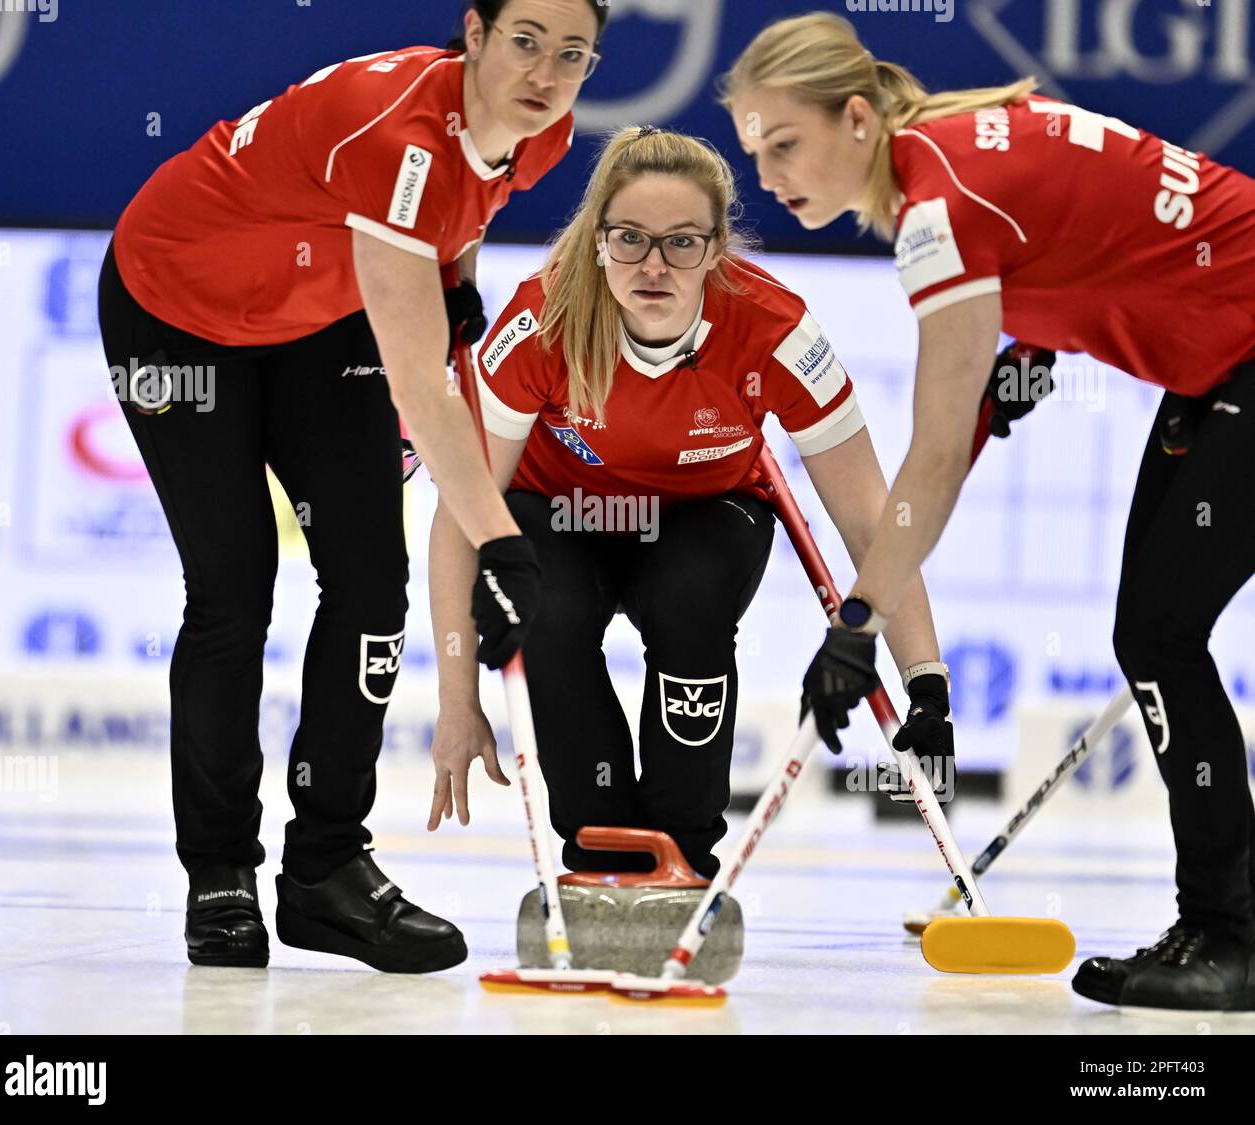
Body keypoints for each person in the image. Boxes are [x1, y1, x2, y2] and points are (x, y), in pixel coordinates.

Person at [723, 11, 1255, 1010]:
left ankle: (1231, 935)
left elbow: (933, 455)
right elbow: (1096, 217)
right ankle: (1219, 923)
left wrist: (857, 623)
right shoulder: (955, 151)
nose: (769, 176)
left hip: (1239, 353)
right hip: (1218, 360)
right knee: (1155, 639)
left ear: (854, 120)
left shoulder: (937, 210)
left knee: (1159, 637)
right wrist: (1033, 354)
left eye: (785, 144)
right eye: (755, 152)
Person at [96, 0, 610, 973]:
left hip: (323, 313)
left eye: (572, 53)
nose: (545, 72)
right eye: (526, 41)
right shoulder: (399, 136)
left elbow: (456, 230)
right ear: (474, 34)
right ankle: (219, 877)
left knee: (373, 586)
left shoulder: (542, 135)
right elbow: (420, 383)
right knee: (232, 592)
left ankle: (326, 869)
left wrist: (458, 287)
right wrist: (501, 544)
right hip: (175, 307)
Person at [426, 126, 952, 879]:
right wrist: (456, 700)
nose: (653, 265)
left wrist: (926, 681)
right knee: (550, 607)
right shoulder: (540, 321)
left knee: (691, 598)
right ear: (600, 239)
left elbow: (872, 517)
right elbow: (460, 510)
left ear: (716, 249)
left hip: (706, 517)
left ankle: (680, 853)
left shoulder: (775, 329)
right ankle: (602, 846)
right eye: (632, 239)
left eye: (681, 243)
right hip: (561, 515)